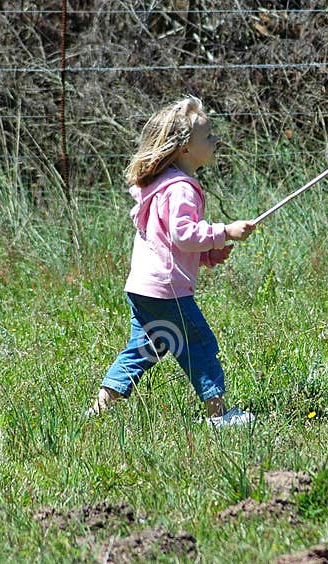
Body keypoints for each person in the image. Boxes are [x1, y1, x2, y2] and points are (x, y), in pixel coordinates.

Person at [88, 96, 256, 427]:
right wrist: (225, 232)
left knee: (144, 348)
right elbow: (183, 234)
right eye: (207, 137)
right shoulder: (182, 188)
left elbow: (168, 238)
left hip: (143, 287)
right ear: (184, 149)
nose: (215, 140)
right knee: (199, 344)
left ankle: (100, 408)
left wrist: (207, 253)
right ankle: (219, 416)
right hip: (167, 291)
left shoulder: (161, 184)